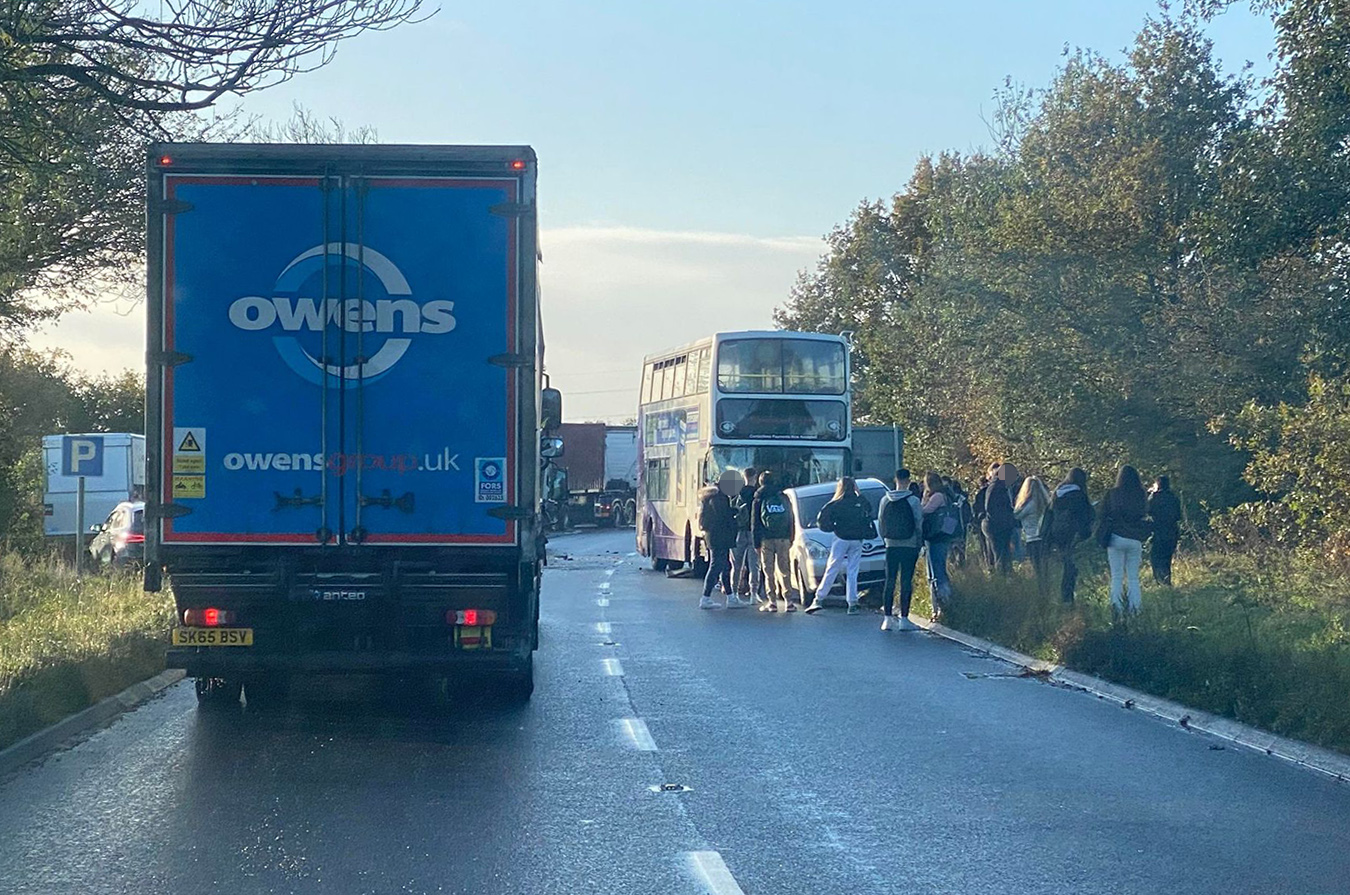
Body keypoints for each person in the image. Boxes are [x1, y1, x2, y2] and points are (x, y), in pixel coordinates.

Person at [805, 477, 876, 616]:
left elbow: (823, 519)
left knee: (832, 567)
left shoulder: (836, 503)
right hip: (857, 539)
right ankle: (852, 602)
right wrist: (859, 493)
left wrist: (833, 528)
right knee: (853, 570)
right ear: (854, 487)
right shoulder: (858, 502)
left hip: (841, 538)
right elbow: (869, 508)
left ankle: (819, 599)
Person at [1097, 465, 1150, 617]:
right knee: (1133, 577)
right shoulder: (1140, 494)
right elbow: (1144, 512)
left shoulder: (1113, 494)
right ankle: (1135, 609)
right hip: (1135, 539)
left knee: (1117, 576)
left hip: (1116, 537)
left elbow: (1102, 514)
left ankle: (1117, 609)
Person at [877, 469, 924, 631]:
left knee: (890, 580)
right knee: (905, 580)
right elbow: (918, 522)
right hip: (909, 544)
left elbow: (881, 522)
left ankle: (887, 618)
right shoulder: (913, 501)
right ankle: (904, 618)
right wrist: (919, 542)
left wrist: (885, 539)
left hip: (891, 544)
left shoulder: (885, 500)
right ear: (908, 480)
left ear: (895, 479)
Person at [751, 471, 799, 611]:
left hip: (766, 539)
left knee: (768, 570)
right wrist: (791, 537)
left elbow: (755, 523)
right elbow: (791, 518)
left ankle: (772, 601)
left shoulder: (758, 497)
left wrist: (756, 543)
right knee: (785, 569)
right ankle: (788, 601)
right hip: (783, 538)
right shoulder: (782, 496)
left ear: (761, 482)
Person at [699, 470, 747, 610]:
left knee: (725, 566)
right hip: (720, 537)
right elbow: (723, 516)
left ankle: (731, 597)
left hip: (714, 536)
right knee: (716, 566)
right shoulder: (719, 497)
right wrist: (735, 511)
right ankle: (706, 597)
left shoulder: (711, 495)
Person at [1048, 467, 1094, 603]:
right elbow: (1085, 517)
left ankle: (1062, 595)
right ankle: (1068, 595)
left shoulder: (1057, 494)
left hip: (1057, 532)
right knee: (1072, 565)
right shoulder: (1079, 495)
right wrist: (1085, 534)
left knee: (1063, 563)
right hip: (1073, 534)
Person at [921, 471, 959, 615]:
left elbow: (925, 510)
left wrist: (923, 499)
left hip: (935, 536)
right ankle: (941, 603)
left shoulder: (937, 496)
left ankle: (943, 603)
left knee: (936, 571)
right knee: (939, 568)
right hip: (943, 536)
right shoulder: (947, 494)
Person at [1014, 475, 1053, 589]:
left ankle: (1041, 593)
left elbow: (1016, 515)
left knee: (1037, 570)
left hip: (1032, 539)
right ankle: (1047, 590)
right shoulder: (1046, 504)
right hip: (1044, 539)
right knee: (1045, 568)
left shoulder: (1029, 505)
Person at [730, 466, 763, 603]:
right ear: (755, 478)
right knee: (754, 564)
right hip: (753, 532)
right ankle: (753, 594)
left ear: (744, 477)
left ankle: (734, 593)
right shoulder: (757, 494)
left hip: (738, 532)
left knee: (737, 565)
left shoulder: (736, 494)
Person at [1147, 475, 1183, 585]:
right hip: (1172, 532)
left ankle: (1159, 581)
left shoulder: (1154, 497)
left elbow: (1148, 511)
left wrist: (1150, 493)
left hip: (1158, 532)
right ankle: (1167, 580)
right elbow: (1178, 516)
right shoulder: (1174, 498)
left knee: (1155, 557)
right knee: (1166, 559)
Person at [981, 472, 1016, 575]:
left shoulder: (1000, 486)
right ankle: (1001, 578)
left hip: (1000, 525)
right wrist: (1003, 521)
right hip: (997, 526)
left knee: (1003, 554)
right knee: (1000, 555)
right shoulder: (996, 486)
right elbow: (990, 507)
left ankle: (1005, 576)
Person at [972, 476, 993, 569]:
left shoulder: (980, 493)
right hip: (991, 521)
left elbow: (976, 509)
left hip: (983, 522)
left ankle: (989, 565)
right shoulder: (993, 490)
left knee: (985, 546)